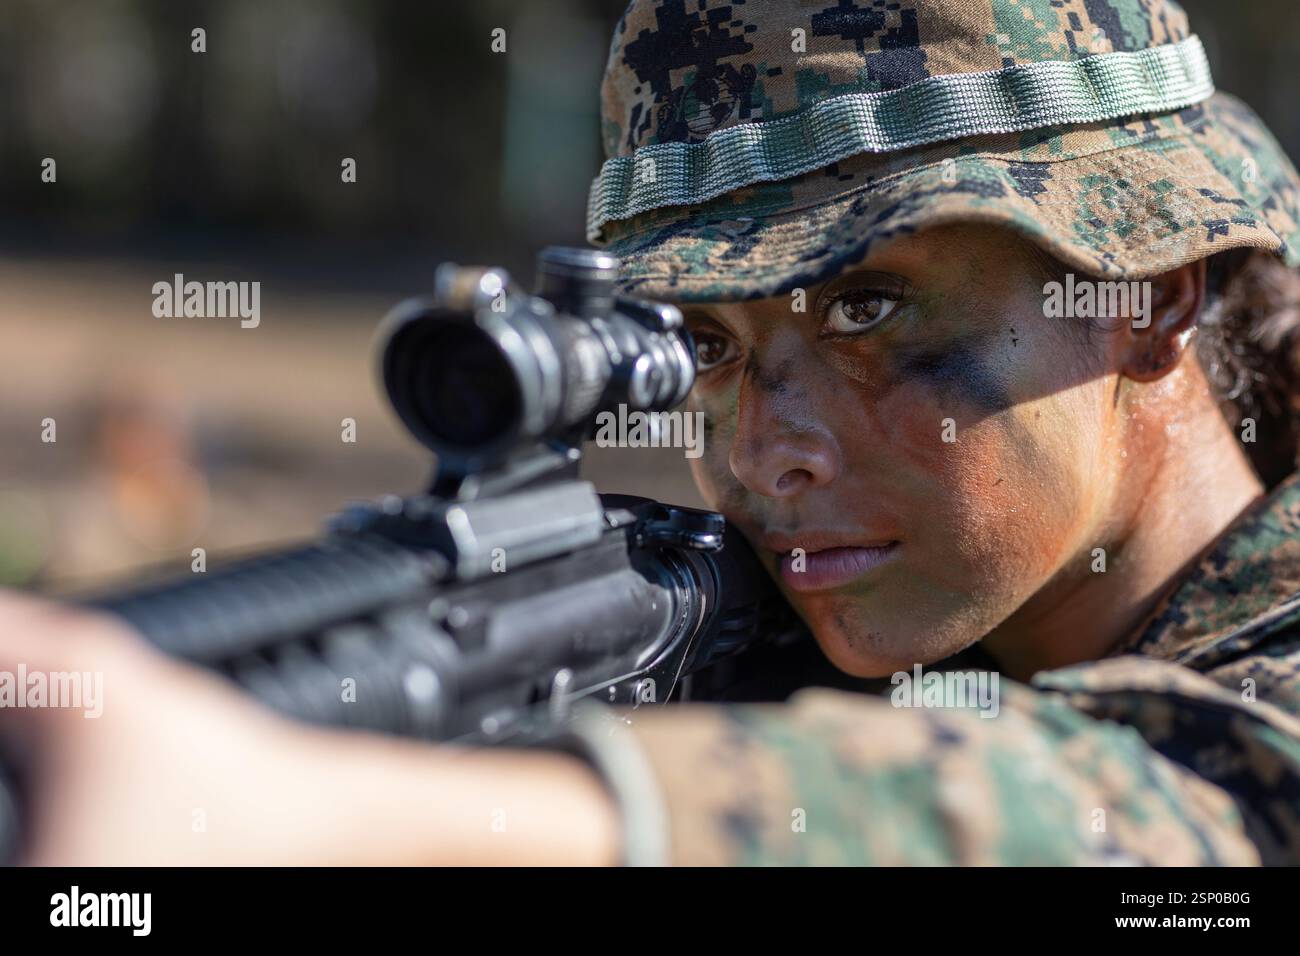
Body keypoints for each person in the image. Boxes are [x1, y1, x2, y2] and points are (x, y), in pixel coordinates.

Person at [4, 0, 1300, 865]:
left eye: (870, 309)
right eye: (714, 351)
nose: (760, 455)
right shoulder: (824, 636)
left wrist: (362, 816)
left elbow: (1181, 818)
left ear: (1147, 293)